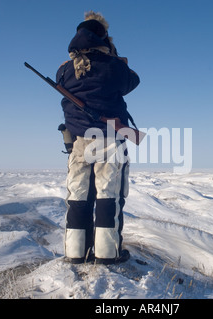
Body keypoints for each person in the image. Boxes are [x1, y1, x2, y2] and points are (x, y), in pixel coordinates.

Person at [56, 12, 140, 264]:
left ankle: (75, 253)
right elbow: (133, 81)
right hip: (110, 140)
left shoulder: (64, 70)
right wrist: (113, 56)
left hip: (79, 142)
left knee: (78, 196)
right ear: (103, 37)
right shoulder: (114, 67)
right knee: (108, 194)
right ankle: (107, 254)